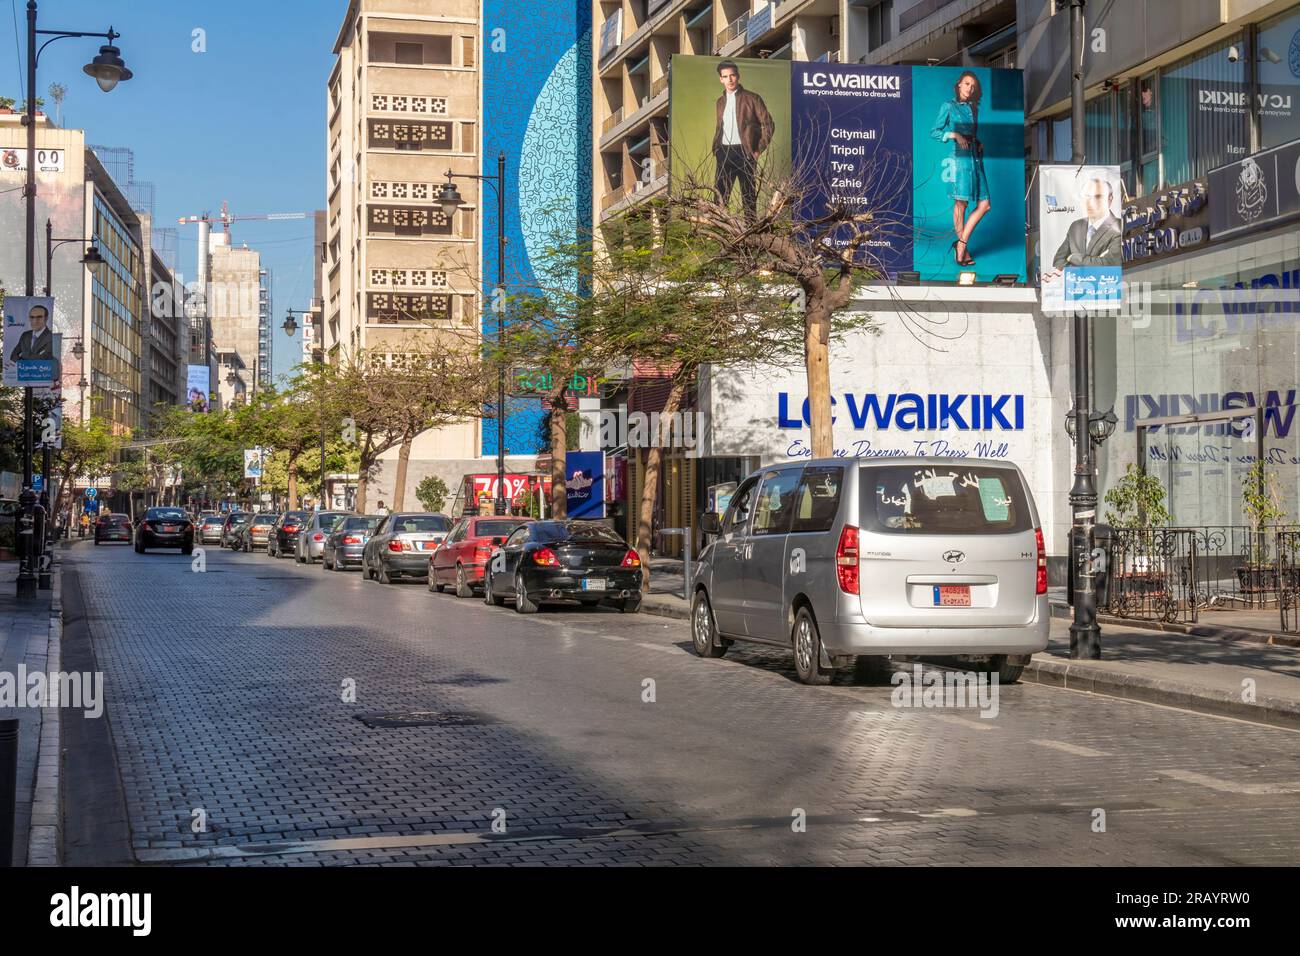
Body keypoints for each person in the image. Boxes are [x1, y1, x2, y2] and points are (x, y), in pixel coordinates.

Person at [931, 71, 991, 267]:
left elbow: (972, 133)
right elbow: (935, 132)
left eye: (973, 86)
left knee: (985, 204)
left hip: (975, 157)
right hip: (959, 159)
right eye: (966, 84)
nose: (969, 88)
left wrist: (979, 141)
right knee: (961, 204)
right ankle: (963, 249)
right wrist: (955, 134)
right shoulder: (948, 106)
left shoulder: (974, 108)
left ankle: (961, 243)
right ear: (958, 85)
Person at [711, 60, 775, 221]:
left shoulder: (752, 98)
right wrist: (717, 148)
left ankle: (751, 233)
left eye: (732, 75)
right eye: (725, 76)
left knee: (748, 195)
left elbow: (768, 125)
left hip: (745, 151)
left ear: (738, 76)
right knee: (720, 196)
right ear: (721, 79)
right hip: (724, 151)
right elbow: (721, 127)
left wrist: (758, 149)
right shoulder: (720, 102)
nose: (730, 79)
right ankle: (720, 229)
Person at [1046, 176, 1122, 274]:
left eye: (1098, 197)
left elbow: (1109, 263)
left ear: (1109, 199)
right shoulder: (1076, 227)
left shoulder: (1119, 226)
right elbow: (1058, 260)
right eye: (1087, 197)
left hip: (1106, 286)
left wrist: (1075, 257)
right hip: (1077, 287)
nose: (1091, 202)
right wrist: (1082, 267)